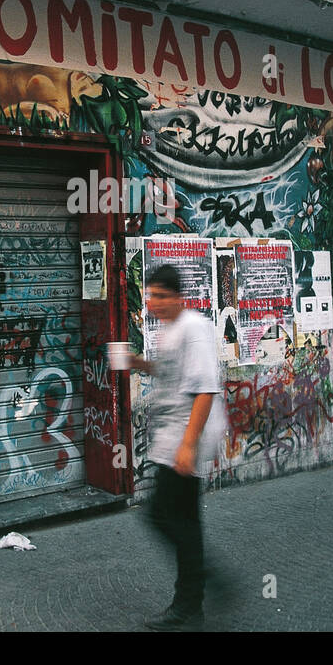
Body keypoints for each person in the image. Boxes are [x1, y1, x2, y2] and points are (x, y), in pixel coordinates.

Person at [129, 263, 228, 630]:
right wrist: (140, 364)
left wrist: (188, 446)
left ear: (178, 297)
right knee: (185, 519)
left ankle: (199, 586)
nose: (153, 302)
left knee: (161, 515)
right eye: (151, 295)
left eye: (161, 295)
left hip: (187, 438)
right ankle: (192, 602)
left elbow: (205, 388)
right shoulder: (170, 330)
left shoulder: (194, 329)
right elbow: (175, 374)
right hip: (172, 437)